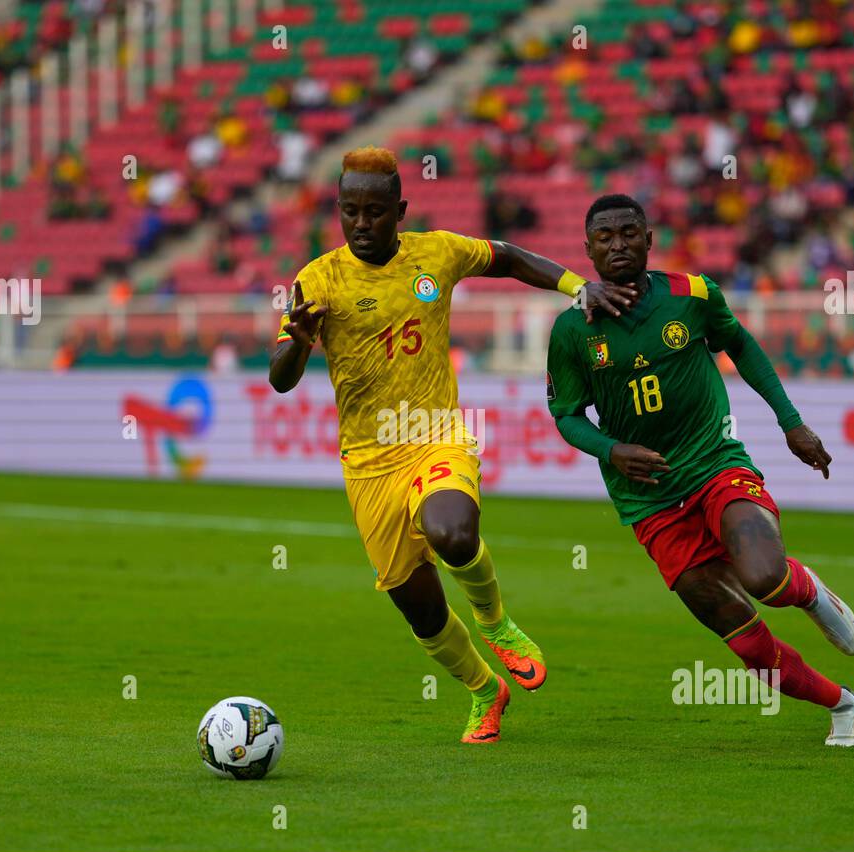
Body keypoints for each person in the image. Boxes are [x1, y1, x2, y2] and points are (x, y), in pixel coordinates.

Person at [269, 147, 635, 744]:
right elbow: (280, 379)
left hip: (434, 437)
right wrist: (299, 341)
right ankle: (485, 690)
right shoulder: (318, 279)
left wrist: (576, 287)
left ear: (400, 210)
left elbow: (510, 258)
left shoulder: (436, 252)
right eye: (350, 212)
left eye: (375, 212)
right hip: (366, 464)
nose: (362, 224)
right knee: (423, 612)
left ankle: (497, 622)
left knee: (454, 532)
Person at [546, 194, 854, 747]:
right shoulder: (571, 331)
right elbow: (568, 417)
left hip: (714, 464)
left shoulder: (691, 295)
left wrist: (792, 423)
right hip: (647, 501)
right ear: (587, 250)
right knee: (744, 644)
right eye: (605, 237)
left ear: (649, 240)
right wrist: (611, 449)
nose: (618, 244)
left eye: (629, 232)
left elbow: (740, 344)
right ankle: (843, 705)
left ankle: (810, 594)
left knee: (765, 576)